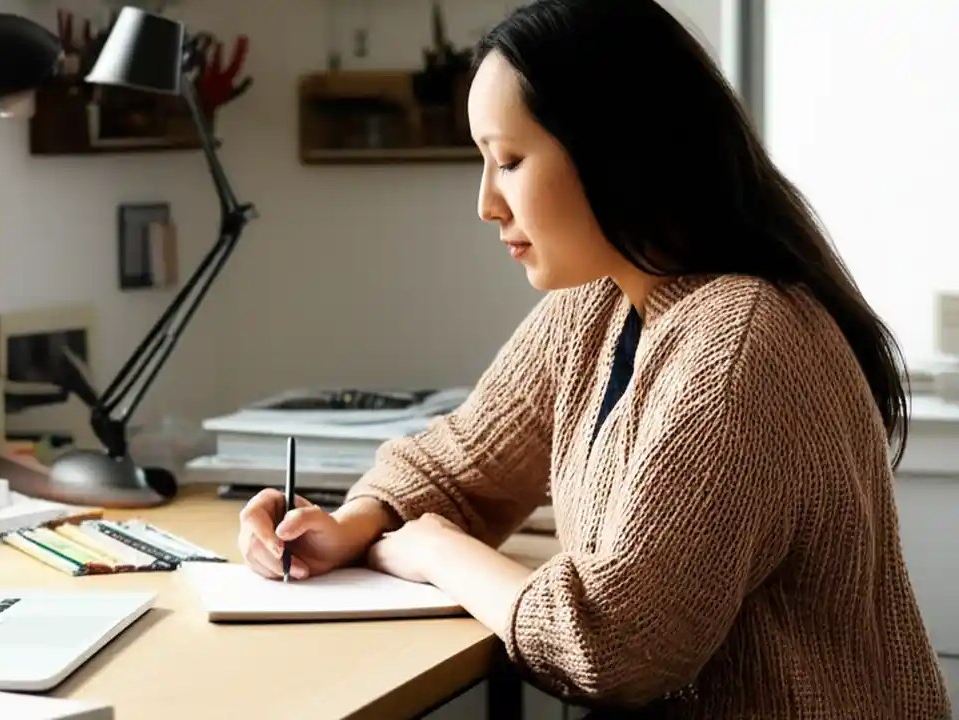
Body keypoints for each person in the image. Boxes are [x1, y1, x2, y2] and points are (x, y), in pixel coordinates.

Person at [237, 0, 950, 716]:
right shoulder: (600, 304)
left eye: (509, 161)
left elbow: (615, 647)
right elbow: (458, 462)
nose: (486, 202)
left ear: (615, 149)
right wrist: (351, 523)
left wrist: (435, 553)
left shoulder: (741, 344)